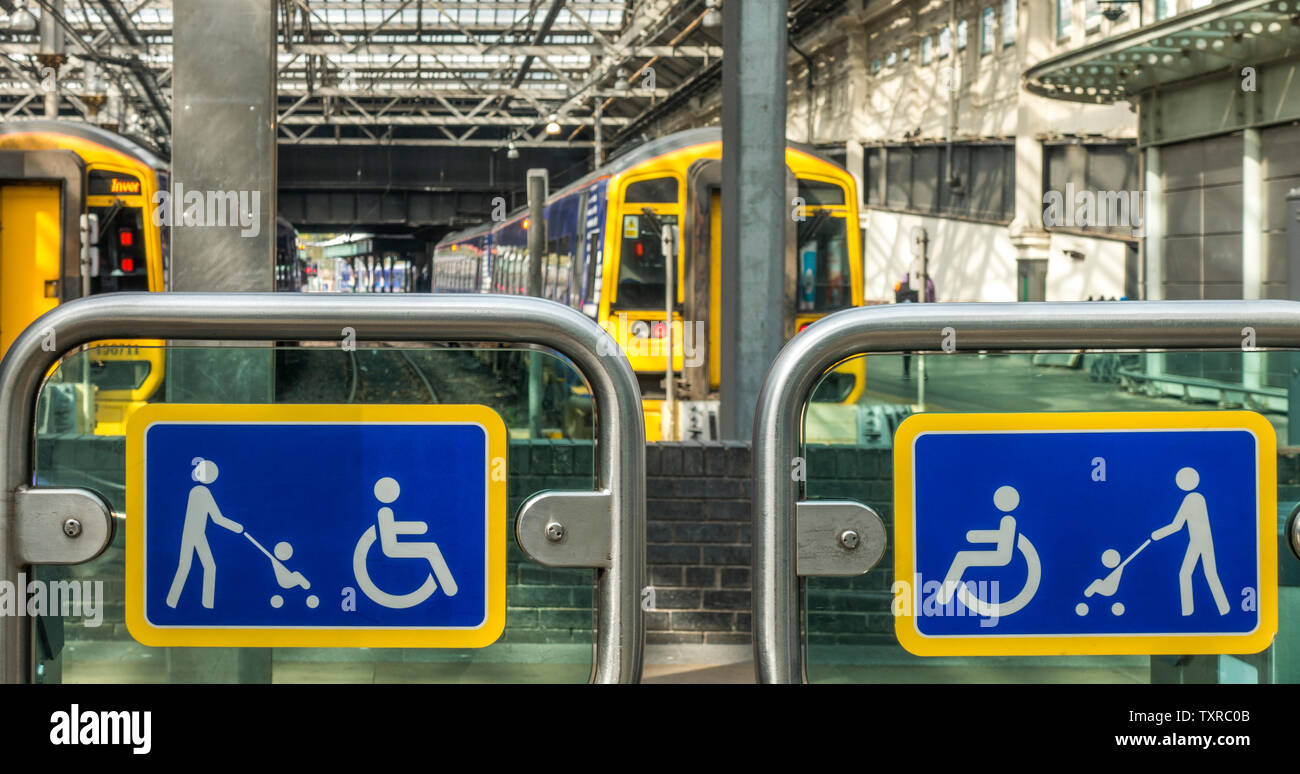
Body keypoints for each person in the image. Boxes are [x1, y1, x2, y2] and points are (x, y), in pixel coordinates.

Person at [1150, 466, 1230, 616]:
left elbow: (1177, 525)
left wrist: (1157, 534)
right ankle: (1221, 608)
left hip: (1200, 542)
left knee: (1189, 574)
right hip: (1201, 541)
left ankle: (1189, 611)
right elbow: (1181, 524)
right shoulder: (1198, 497)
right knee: (1207, 573)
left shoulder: (1192, 499)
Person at [166, 458, 243, 609]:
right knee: (199, 566)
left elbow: (213, 518)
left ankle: (177, 602)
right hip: (193, 534)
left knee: (191, 566)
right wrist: (237, 527)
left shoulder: (197, 491)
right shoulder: (201, 492)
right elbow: (217, 518)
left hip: (196, 534)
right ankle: (202, 604)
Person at [894, 272, 936, 379]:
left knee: (907, 348)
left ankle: (906, 372)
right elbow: (931, 300)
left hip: (906, 323)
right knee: (921, 348)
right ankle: (923, 372)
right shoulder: (927, 282)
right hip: (921, 322)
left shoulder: (902, 283)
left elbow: (897, 298)